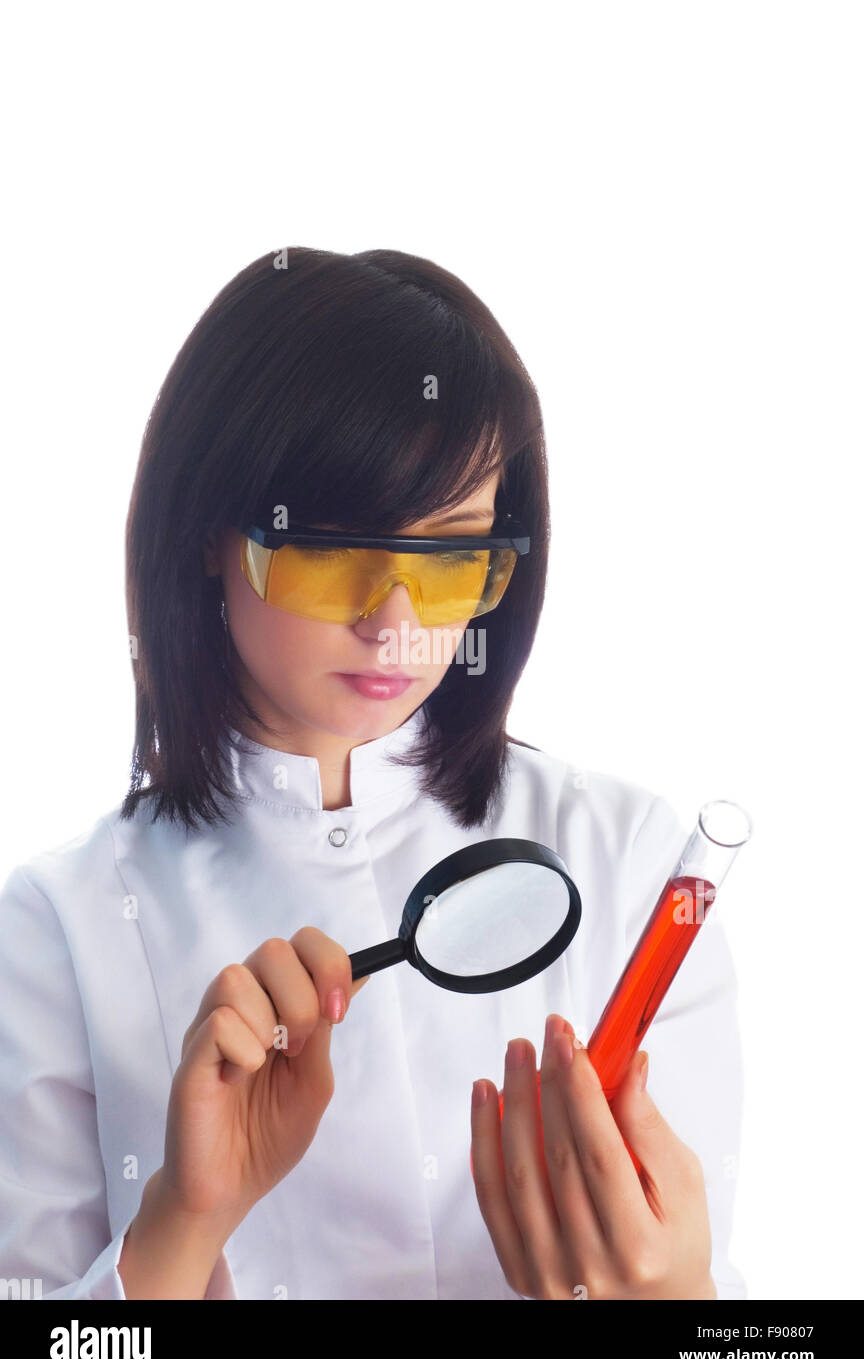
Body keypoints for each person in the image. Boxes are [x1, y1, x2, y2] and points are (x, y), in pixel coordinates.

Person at [0, 247, 745, 1300]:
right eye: (335, 547)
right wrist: (182, 1221)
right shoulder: (60, 925)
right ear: (211, 537)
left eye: (447, 554)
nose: (390, 621)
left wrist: (678, 1303)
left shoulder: (626, 859)